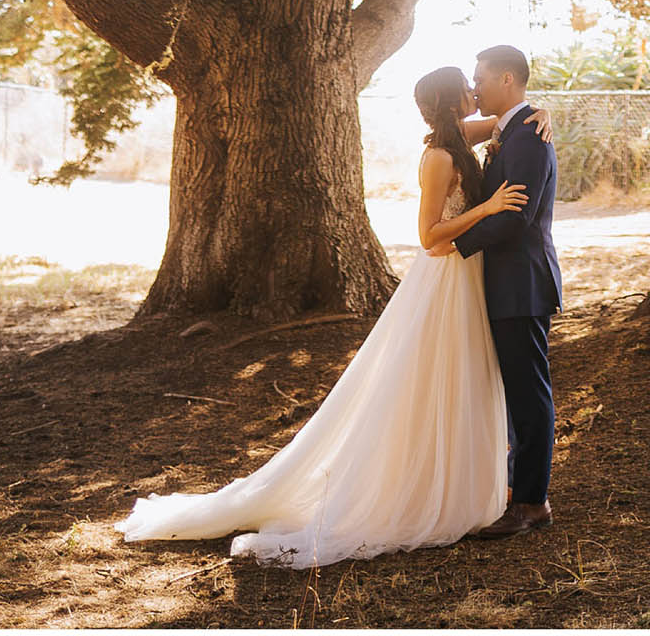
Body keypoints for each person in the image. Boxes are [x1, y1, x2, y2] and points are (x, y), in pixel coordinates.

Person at [115, 68, 545, 568]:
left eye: (479, 83)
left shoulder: (461, 137)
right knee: (429, 379)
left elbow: (506, 123)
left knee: (465, 380)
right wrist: (487, 207)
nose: (477, 92)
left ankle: (462, 486)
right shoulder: (440, 156)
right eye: (467, 88)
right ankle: (419, 490)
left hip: (470, 283)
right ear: (453, 102)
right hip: (444, 281)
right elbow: (430, 236)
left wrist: (539, 111)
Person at [448, 43, 562, 538]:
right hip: (504, 284)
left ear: (508, 80)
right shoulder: (512, 129)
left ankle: (533, 503)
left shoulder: (529, 138)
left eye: (481, 77)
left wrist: (456, 243)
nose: (475, 87)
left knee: (529, 395)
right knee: (515, 393)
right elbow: (441, 135)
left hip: (521, 284)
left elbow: (516, 222)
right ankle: (517, 489)